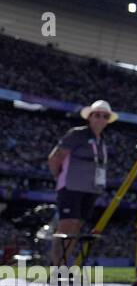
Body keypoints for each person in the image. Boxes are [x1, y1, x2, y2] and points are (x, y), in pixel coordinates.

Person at [45, 99, 117, 266]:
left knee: (76, 228)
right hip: (71, 187)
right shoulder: (77, 134)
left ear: (108, 120)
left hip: (90, 190)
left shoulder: (102, 141)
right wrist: (59, 178)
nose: (100, 119)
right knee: (66, 227)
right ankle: (56, 267)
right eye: (97, 115)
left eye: (105, 116)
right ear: (89, 117)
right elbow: (55, 158)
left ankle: (64, 265)